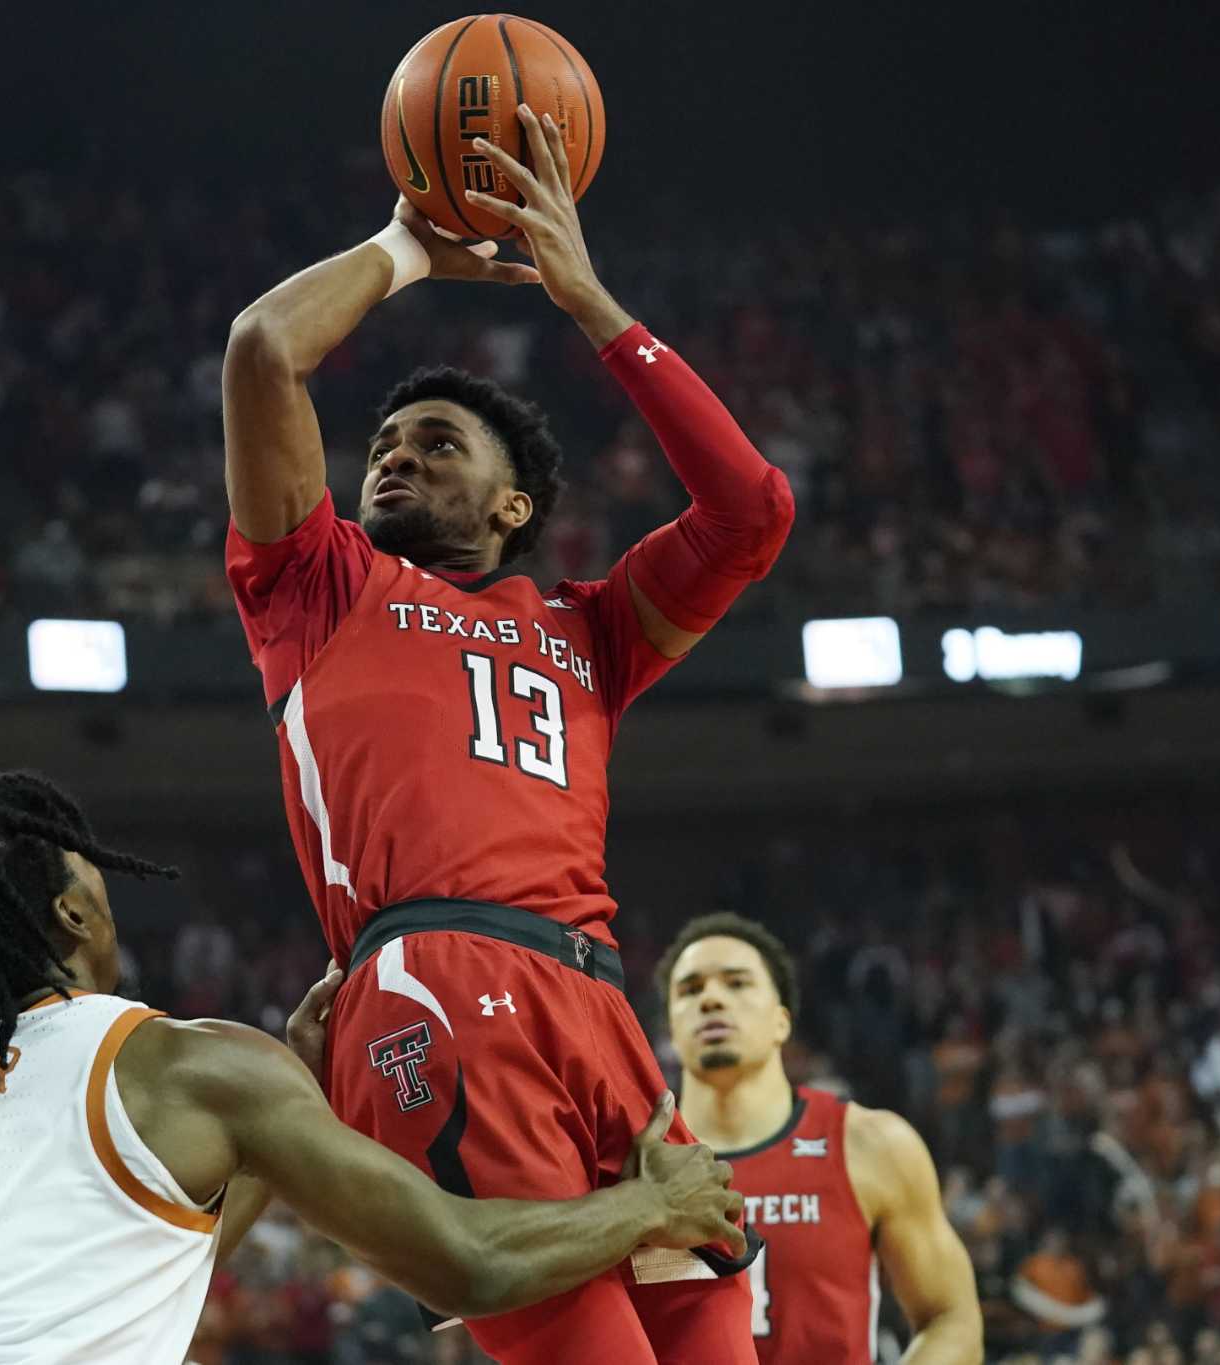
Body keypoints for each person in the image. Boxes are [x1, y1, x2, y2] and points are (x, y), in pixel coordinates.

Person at [222, 104, 794, 1365]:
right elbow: (264, 350)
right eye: (382, 445)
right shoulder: (319, 592)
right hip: (432, 984)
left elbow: (751, 509)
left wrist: (589, 303)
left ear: (513, 502)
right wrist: (404, 249)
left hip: (594, 1009)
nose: (393, 459)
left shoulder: (591, 627)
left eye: (436, 445)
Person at [0, 771, 747, 1364]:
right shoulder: (180, 1062)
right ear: (69, 914)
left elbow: (113, 1270)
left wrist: (276, 1104)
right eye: (92, 874)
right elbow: (467, 1262)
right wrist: (652, 1204)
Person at [659, 912, 983, 1363]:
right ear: (671, 1029)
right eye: (690, 990)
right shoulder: (632, 1161)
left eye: (737, 983)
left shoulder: (871, 1143)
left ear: (781, 1022)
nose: (711, 1000)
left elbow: (951, 1316)